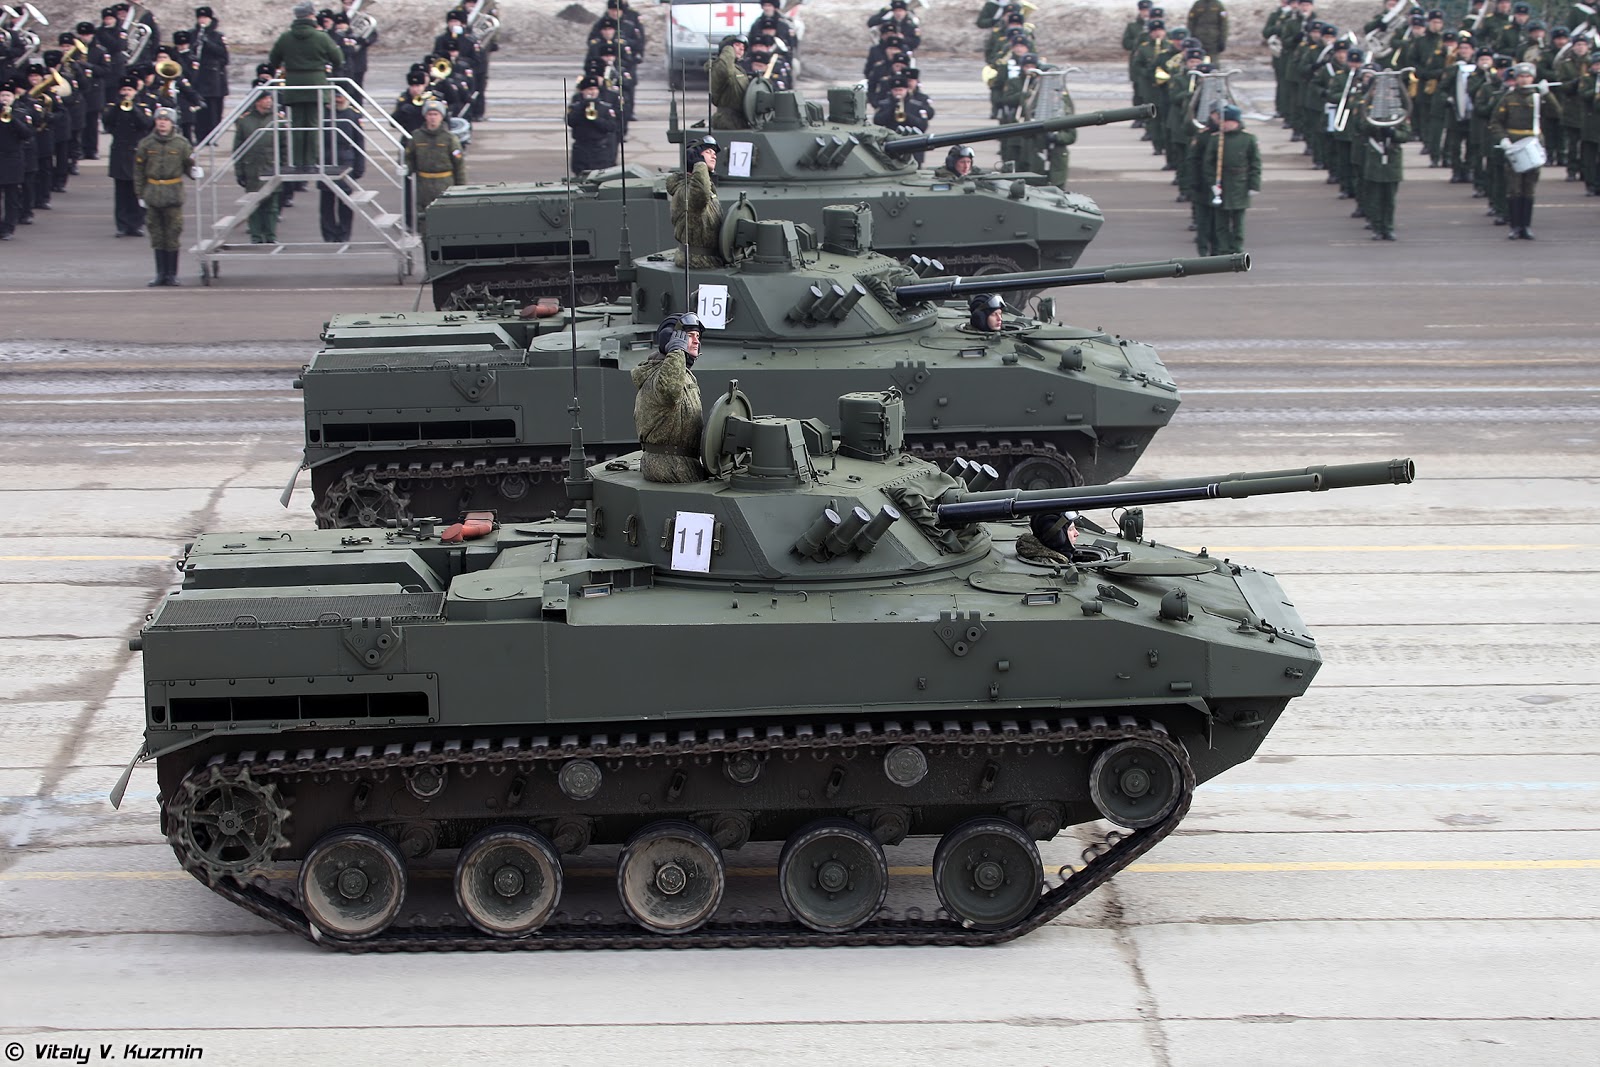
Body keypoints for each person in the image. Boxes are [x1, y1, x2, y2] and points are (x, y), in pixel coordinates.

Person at [632, 314, 708, 484]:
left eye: (698, 336)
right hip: (670, 468)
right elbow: (669, 391)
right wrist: (676, 351)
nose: (696, 341)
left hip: (682, 465)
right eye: (689, 336)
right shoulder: (661, 375)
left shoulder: (681, 374)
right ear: (671, 339)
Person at [267, 0, 343, 171]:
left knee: (297, 125)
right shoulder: (321, 37)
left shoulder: (286, 37)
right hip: (316, 85)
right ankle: (311, 162)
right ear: (311, 15)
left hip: (293, 85)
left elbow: (273, 60)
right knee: (314, 125)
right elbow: (338, 58)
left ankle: (297, 162)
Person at [1489, 60, 1560, 238]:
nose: (1524, 80)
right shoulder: (1508, 97)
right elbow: (1496, 121)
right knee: (1514, 188)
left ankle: (1526, 226)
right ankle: (1514, 226)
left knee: (1529, 188)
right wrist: (1503, 139)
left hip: (1533, 143)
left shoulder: (1538, 96)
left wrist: (1548, 95)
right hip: (1514, 144)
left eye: (1528, 76)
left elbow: (1557, 113)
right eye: (1521, 76)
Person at [133, 105, 198, 285]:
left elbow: (189, 166)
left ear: (172, 123)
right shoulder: (147, 144)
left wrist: (195, 171)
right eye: (160, 120)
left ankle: (172, 274)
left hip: (173, 194)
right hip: (153, 193)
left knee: (173, 233)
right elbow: (139, 170)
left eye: (166, 120)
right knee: (156, 234)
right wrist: (140, 193)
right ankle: (160, 274)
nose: (162, 123)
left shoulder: (181, 144)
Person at [1356, 69, 1411, 241]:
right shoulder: (1369, 110)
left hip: (1392, 158)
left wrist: (1393, 134)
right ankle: (1377, 227)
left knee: (1390, 198)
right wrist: (1376, 126)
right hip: (1375, 156)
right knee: (1374, 197)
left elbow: (1406, 135)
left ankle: (1388, 227)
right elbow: (1361, 127)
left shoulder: (1399, 113)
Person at [1201, 104, 1260, 253]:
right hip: (1222, 184)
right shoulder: (1217, 140)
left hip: (1240, 183)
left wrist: (1254, 185)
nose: (1222, 124)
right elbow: (1208, 164)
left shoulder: (1248, 139)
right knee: (1221, 222)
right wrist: (1212, 183)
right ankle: (1224, 249)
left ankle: (1237, 248)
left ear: (1234, 121)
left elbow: (1255, 164)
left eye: (1225, 121)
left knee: (1238, 222)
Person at [103, 74, 151, 236]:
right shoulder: (113, 107)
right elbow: (107, 123)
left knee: (137, 191)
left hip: (137, 152)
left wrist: (134, 108)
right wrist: (118, 106)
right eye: (124, 89)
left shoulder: (143, 106)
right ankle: (122, 225)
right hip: (120, 152)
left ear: (135, 91)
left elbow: (146, 124)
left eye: (129, 89)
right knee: (121, 192)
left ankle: (137, 224)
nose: (126, 92)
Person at [667, 136, 723, 268]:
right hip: (696, 261)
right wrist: (700, 164)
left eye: (714, 153)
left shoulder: (705, 186)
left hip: (708, 260)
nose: (714, 156)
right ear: (695, 156)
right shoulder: (685, 190)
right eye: (708, 152)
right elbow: (700, 193)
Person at [233, 91, 280, 244]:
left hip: (271, 167)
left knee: (272, 205)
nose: (268, 102)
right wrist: (239, 171)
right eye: (265, 99)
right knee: (253, 204)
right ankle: (256, 236)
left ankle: (271, 235)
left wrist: (284, 166)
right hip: (252, 167)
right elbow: (238, 148)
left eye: (269, 99)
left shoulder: (277, 120)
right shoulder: (245, 121)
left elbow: (285, 146)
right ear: (257, 102)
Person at [319, 90, 364, 242]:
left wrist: (359, 166)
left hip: (346, 161)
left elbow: (359, 143)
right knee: (327, 202)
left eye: (341, 97)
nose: (338, 100)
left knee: (346, 202)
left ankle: (344, 234)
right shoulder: (322, 114)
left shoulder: (352, 115)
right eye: (335, 97)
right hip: (326, 160)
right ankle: (329, 235)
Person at [189, 6, 228, 143]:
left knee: (214, 110)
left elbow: (224, 56)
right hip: (198, 78)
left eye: (205, 18)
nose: (202, 20)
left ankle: (213, 136)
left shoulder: (218, 36)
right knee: (199, 109)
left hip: (214, 80)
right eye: (200, 18)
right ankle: (200, 136)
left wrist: (207, 43)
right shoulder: (192, 34)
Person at [568, 77, 619, 174]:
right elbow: (570, 122)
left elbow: (611, 127)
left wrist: (596, 119)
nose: (592, 92)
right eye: (589, 89)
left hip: (600, 150)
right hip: (581, 148)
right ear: (583, 91)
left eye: (595, 89)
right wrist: (582, 107)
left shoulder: (605, 108)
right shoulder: (575, 107)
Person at [0, 83, 29, 240]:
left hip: (13, 159)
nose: (4, 98)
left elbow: (26, 133)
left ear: (13, 98)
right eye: (2, 95)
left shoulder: (21, 112)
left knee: (11, 196)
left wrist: (10, 118)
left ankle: (8, 227)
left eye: (7, 96)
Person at [709, 34, 750, 130]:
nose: (741, 49)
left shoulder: (738, 70)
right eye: (737, 45)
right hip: (727, 121)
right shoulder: (718, 66)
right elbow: (724, 71)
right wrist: (728, 49)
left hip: (740, 119)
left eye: (743, 47)